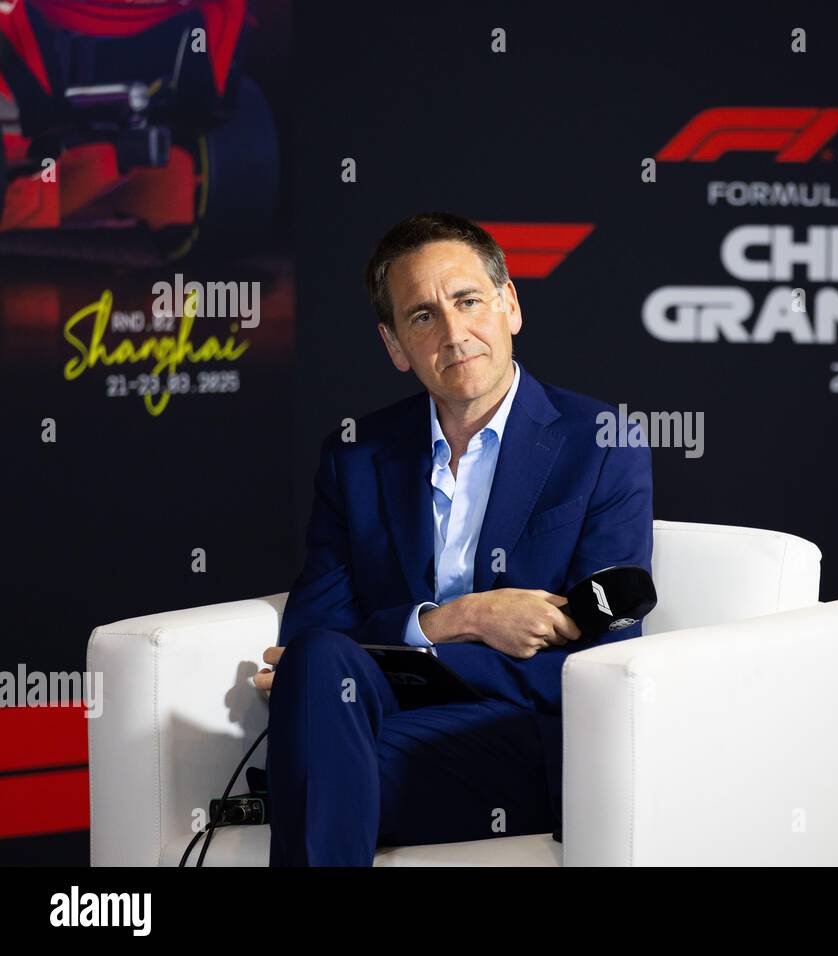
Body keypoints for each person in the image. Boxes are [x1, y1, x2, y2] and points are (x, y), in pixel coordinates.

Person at [256, 212, 653, 865]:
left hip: (521, 733)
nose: (454, 333)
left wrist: (417, 666)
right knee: (320, 662)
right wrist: (454, 621)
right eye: (421, 317)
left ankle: (298, 789)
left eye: (468, 301)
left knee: (316, 773)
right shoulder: (356, 456)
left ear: (510, 306)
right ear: (395, 346)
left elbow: (606, 646)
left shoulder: (602, 442)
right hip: (376, 709)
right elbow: (314, 631)